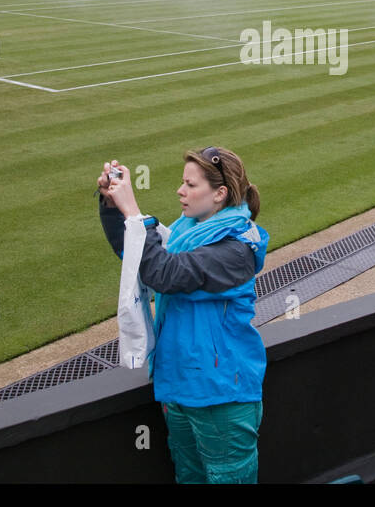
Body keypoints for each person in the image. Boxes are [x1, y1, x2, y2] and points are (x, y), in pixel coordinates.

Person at [97, 147, 268, 483]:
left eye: (191, 185)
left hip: (221, 396)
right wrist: (111, 204)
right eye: (182, 182)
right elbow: (137, 253)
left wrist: (132, 211)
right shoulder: (186, 232)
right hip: (179, 385)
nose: (180, 190)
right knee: (189, 477)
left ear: (219, 194)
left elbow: (165, 274)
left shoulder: (236, 249)